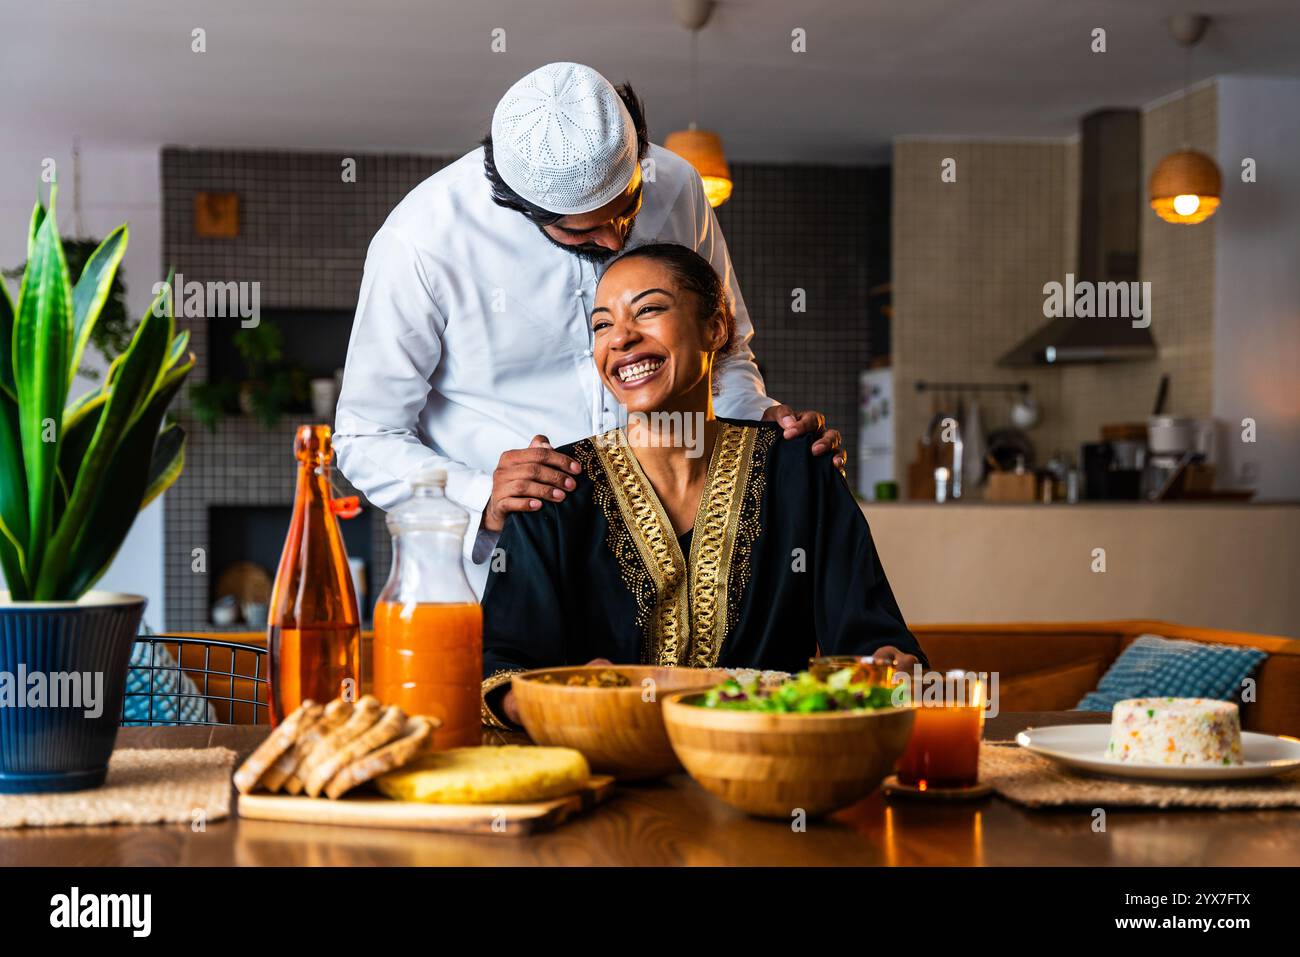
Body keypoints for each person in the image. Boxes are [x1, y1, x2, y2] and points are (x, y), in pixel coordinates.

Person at [333, 63, 843, 597]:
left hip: (668, 563)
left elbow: (723, 349)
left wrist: (764, 429)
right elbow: (366, 436)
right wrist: (480, 496)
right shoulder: (422, 240)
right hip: (502, 576)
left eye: (628, 209)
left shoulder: (676, 184)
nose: (616, 240)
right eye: (583, 231)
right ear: (519, 207)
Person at [479, 243, 926, 728]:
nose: (621, 337)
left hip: (766, 758)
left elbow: (870, 640)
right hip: (605, 758)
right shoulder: (556, 485)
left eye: (648, 310)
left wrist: (890, 666)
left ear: (715, 329)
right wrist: (561, 696)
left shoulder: (799, 469)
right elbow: (500, 667)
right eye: (602, 325)